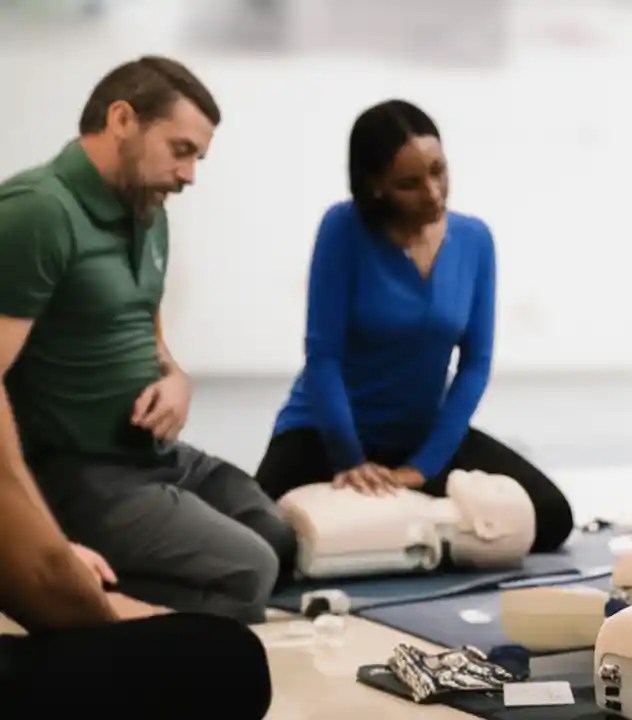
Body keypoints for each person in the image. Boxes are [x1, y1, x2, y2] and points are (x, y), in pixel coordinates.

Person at [0, 56, 295, 624]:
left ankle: (103, 568)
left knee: (276, 536)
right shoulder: (38, 212)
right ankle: (55, 586)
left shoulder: (147, 210)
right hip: (80, 469)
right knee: (248, 574)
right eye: (181, 150)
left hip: (154, 456)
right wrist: (37, 539)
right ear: (121, 119)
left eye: (197, 158)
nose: (189, 175)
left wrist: (177, 380)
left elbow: (149, 335)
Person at [256, 99, 575, 564]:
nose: (433, 193)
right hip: (324, 432)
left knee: (550, 517)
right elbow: (322, 356)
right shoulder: (342, 228)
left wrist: (421, 468)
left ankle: (402, 531)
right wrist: (351, 461)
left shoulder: (474, 239)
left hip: (421, 437)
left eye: (438, 171)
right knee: (261, 544)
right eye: (410, 183)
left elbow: (475, 364)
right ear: (375, 186)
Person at [0, 461, 273, 718]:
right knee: (230, 661)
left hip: (155, 459)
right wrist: (111, 614)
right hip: (91, 474)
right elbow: (46, 580)